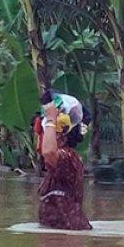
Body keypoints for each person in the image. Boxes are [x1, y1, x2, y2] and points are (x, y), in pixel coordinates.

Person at [32, 92, 93, 230]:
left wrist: (50, 120)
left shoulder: (68, 158)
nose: (40, 137)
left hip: (69, 236)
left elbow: (49, 152)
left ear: (61, 135)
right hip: (60, 236)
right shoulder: (61, 161)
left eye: (44, 132)